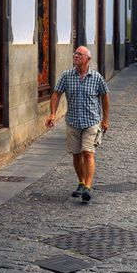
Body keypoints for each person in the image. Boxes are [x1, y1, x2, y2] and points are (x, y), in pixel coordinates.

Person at [45, 46, 109, 203]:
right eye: (75, 54)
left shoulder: (96, 77)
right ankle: (81, 182)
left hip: (91, 122)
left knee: (88, 153)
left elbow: (105, 97)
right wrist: (53, 113)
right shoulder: (66, 76)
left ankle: (88, 186)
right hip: (73, 121)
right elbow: (56, 94)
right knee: (76, 154)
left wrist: (105, 119)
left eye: (80, 54)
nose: (76, 56)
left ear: (88, 59)